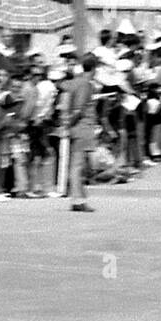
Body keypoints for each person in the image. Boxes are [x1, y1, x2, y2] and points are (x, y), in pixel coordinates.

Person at [59, 53, 99, 212]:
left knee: (79, 165)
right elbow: (79, 109)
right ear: (94, 68)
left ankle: (79, 196)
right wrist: (68, 123)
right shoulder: (85, 84)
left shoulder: (74, 82)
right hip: (82, 127)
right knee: (77, 165)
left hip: (79, 128)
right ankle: (77, 200)